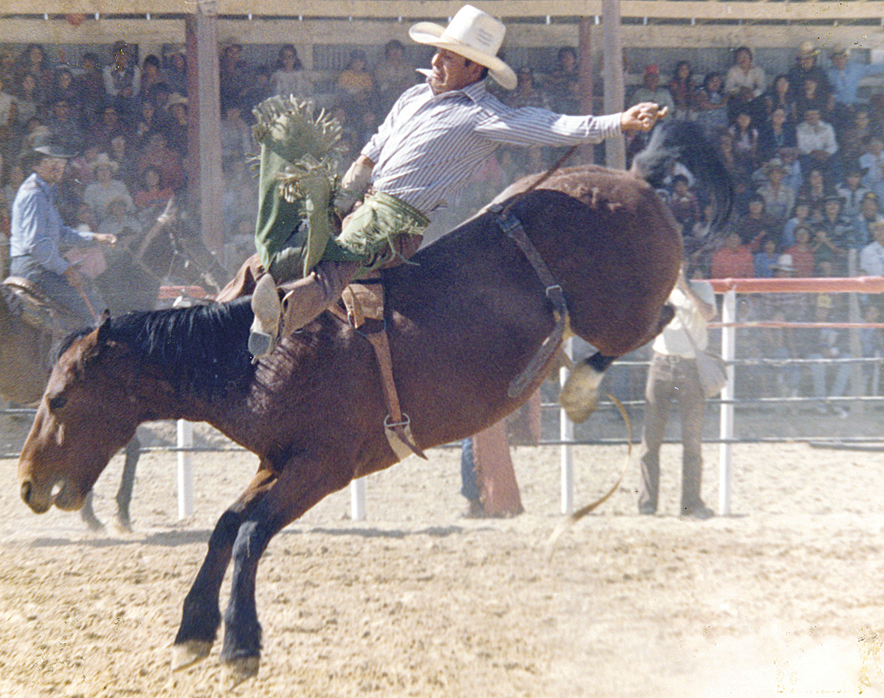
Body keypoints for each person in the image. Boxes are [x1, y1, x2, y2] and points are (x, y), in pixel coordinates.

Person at [248, 5, 669, 356]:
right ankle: (243, 290)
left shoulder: (484, 118)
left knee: (342, 255)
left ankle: (277, 319)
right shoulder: (414, 95)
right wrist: (345, 193)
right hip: (363, 199)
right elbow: (375, 145)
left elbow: (552, 126)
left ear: (473, 67)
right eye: (438, 52)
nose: (435, 61)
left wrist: (618, 122)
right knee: (297, 230)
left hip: (396, 221)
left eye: (448, 56)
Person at [9, 132, 116, 326]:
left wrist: (97, 237)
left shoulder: (44, 191)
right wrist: (67, 270)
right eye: (50, 160)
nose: (58, 166)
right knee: (96, 309)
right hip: (34, 268)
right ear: (35, 164)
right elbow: (38, 245)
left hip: (39, 265)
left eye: (61, 161)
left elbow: (61, 232)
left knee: (88, 288)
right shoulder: (35, 195)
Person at [637, 266, 717, 519]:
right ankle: (647, 504)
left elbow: (709, 314)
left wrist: (684, 287)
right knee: (650, 440)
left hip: (690, 367)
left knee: (692, 441)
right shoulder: (659, 289)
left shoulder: (703, 288)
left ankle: (690, 504)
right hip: (661, 363)